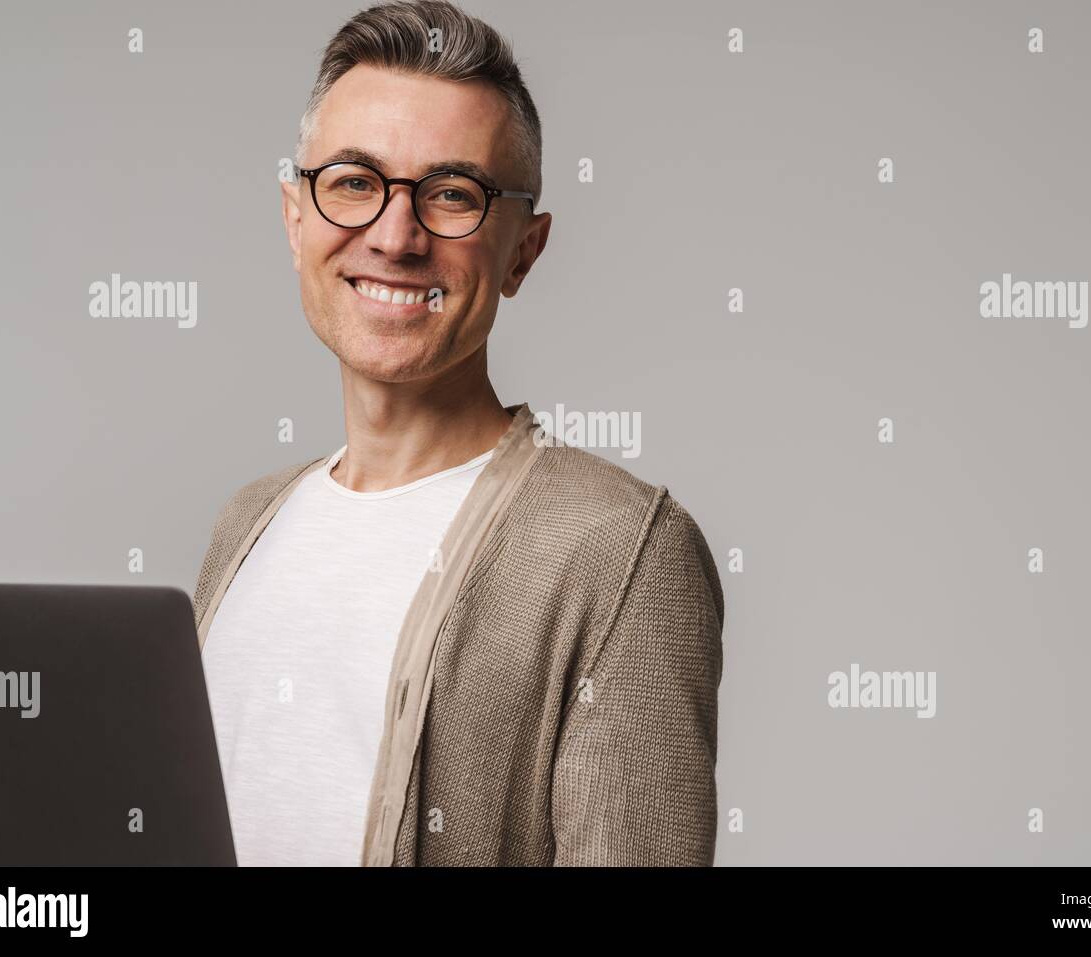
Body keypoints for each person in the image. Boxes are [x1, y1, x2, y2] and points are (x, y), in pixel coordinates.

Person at [192, 0, 724, 866]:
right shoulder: (245, 524)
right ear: (296, 220)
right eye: (354, 181)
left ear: (524, 251)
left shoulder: (619, 549)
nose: (395, 237)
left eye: (451, 195)